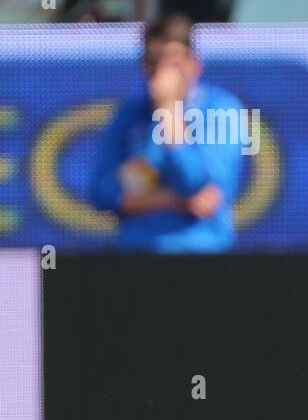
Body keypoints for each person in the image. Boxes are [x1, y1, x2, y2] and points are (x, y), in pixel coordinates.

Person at [91, 14, 244, 252]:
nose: (162, 73)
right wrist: (177, 201)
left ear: (193, 65)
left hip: (201, 252)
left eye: (172, 63)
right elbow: (102, 192)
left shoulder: (222, 109)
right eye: (154, 61)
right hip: (135, 253)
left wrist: (168, 108)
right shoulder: (128, 114)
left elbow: (195, 181)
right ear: (143, 66)